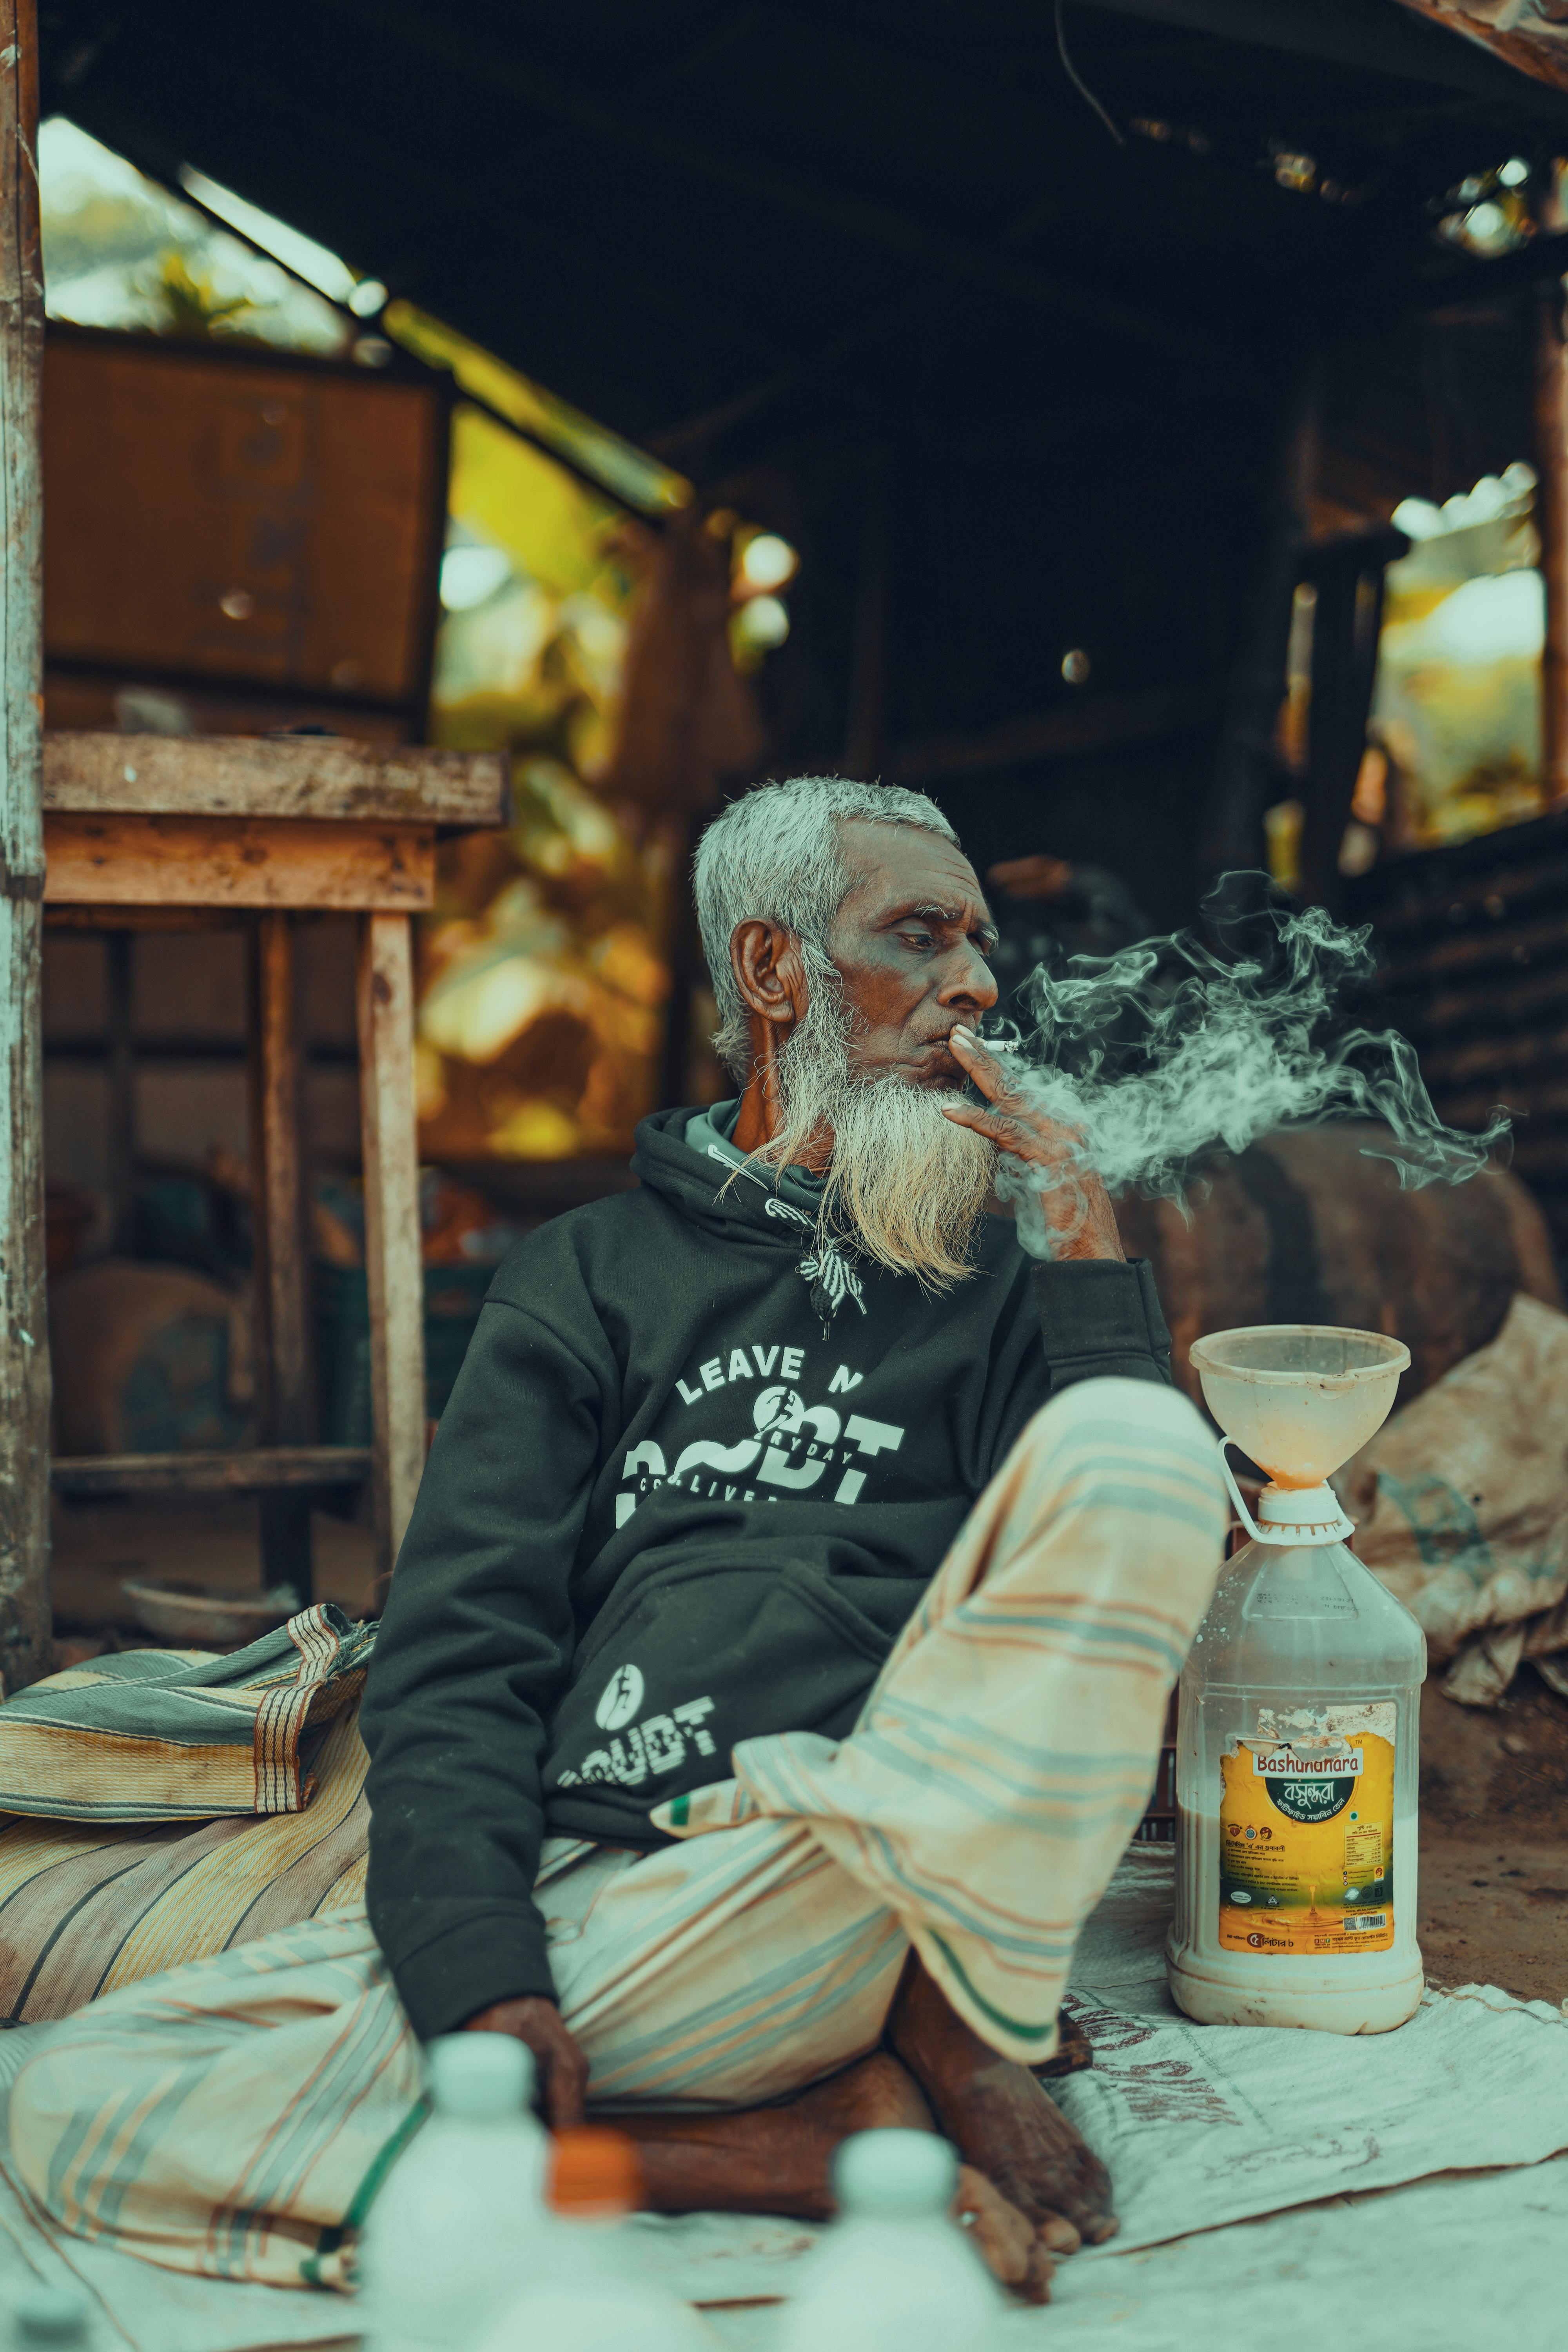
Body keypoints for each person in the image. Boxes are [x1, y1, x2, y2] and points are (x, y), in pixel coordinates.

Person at [6, 777, 1225, 2305]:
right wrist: (489, 1986)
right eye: (920, 936)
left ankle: (946, 2030)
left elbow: (1112, 1576)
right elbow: (458, 1663)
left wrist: (1078, 1249)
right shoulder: (583, 1276)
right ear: (775, 972)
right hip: (660, 1900)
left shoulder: (994, 1277)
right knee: (72, 2102)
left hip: (904, 1867)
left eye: (980, 944)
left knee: (1139, 1444)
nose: (979, 982)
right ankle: (797, 2144)